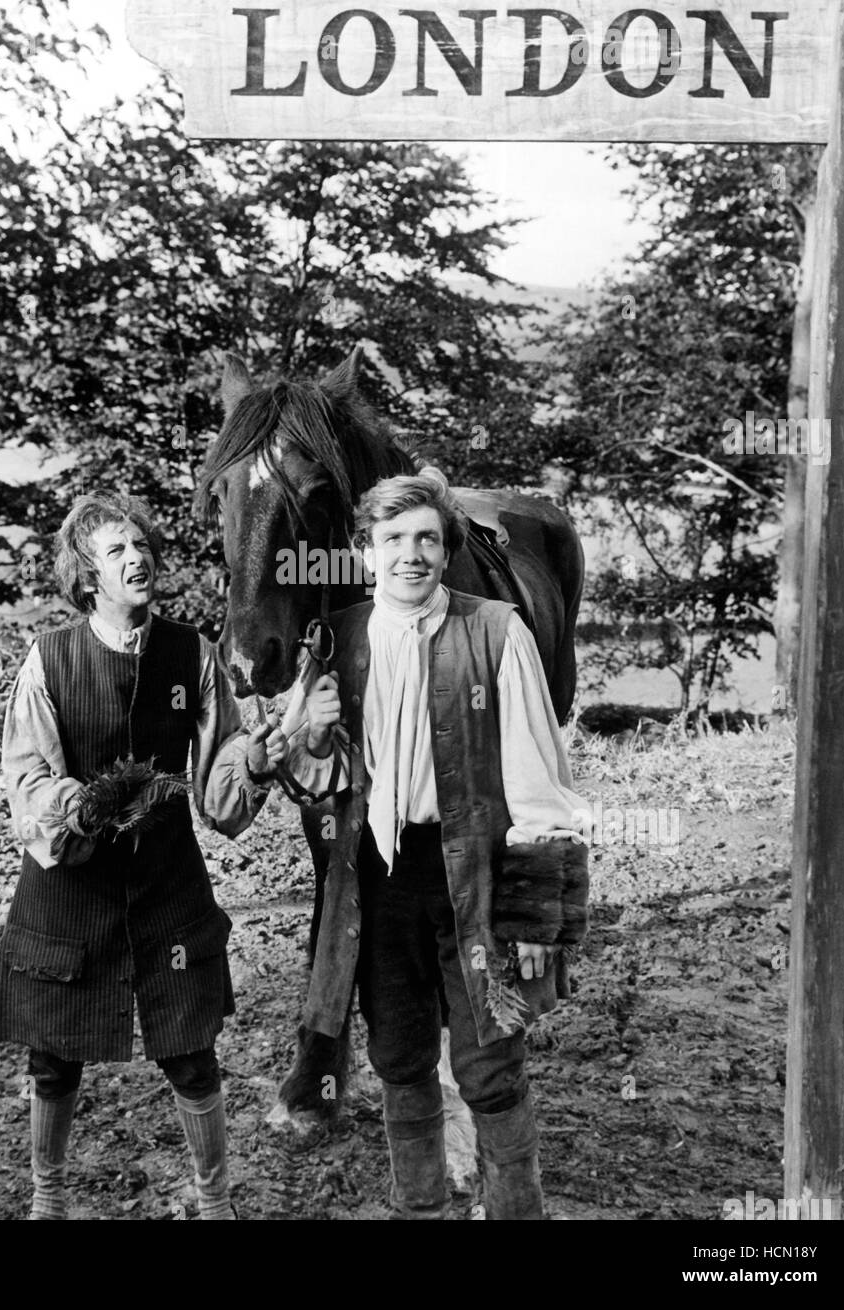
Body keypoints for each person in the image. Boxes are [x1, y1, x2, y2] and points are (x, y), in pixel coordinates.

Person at [0, 490, 294, 1221]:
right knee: (54, 1056)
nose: (137, 559)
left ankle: (214, 1203)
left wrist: (254, 759)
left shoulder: (195, 654)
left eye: (142, 546)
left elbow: (219, 790)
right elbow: (25, 773)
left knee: (189, 1049)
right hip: (71, 885)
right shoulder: (51, 657)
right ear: (87, 576)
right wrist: (76, 806)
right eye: (116, 551)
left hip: (166, 883)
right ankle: (48, 1199)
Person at [296, 466, 591, 1220]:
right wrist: (310, 728)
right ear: (365, 550)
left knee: (490, 1062)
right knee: (397, 1056)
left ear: (445, 547)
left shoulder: (495, 630)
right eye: (393, 539)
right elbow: (321, 781)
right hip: (377, 882)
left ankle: (515, 1211)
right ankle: (419, 1209)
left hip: (477, 876)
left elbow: (537, 776)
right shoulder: (337, 636)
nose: (410, 555)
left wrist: (534, 912)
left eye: (426, 538)